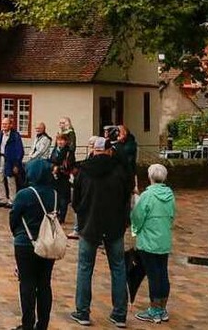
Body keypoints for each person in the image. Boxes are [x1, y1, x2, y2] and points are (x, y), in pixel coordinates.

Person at [70, 137, 131, 327]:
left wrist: (82, 215)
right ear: (109, 151)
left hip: (90, 224)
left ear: (94, 151)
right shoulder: (120, 170)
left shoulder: (84, 171)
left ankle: (82, 312)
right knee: (118, 268)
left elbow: (76, 200)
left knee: (85, 268)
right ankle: (120, 314)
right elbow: (125, 198)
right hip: (114, 225)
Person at [10, 158, 59, 330]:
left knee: (27, 284)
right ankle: (43, 324)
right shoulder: (54, 193)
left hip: (26, 243)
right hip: (48, 242)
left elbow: (14, 217)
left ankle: (27, 324)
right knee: (44, 283)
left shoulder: (25, 194)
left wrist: (16, 233)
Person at [130, 163, 176, 323]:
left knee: (153, 275)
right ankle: (162, 307)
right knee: (162, 272)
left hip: (148, 240)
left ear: (150, 177)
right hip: (164, 239)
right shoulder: (169, 194)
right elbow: (171, 215)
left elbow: (137, 216)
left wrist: (136, 230)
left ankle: (155, 309)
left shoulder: (147, 196)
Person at [49, 133, 75, 223]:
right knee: (55, 196)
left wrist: (58, 168)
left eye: (62, 140)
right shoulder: (54, 151)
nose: (60, 142)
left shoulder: (69, 152)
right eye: (58, 140)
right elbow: (50, 161)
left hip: (64, 177)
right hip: (54, 177)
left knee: (63, 198)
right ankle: (55, 213)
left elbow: (70, 165)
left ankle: (62, 216)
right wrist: (53, 167)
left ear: (66, 141)